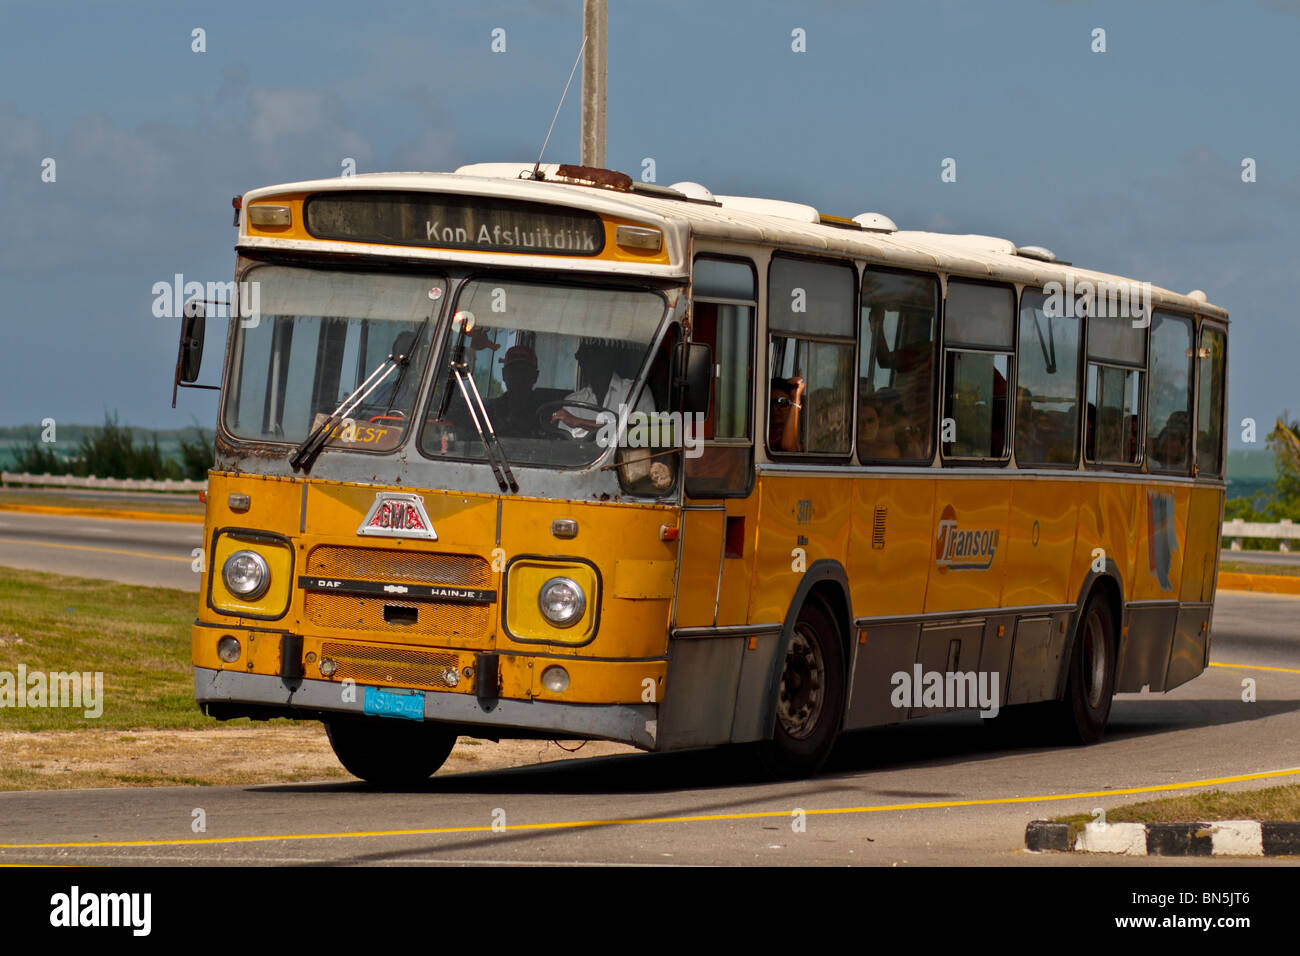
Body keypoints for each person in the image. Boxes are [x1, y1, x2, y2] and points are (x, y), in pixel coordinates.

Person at [552, 342, 648, 439]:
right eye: (579, 355)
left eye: (589, 353)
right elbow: (564, 448)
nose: (582, 360)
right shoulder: (573, 403)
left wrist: (580, 422)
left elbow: (646, 435)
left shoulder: (635, 393)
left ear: (608, 356)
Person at [483, 344, 545, 438]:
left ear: (535, 376)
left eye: (524, 371)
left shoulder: (546, 411)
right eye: (513, 371)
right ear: (503, 374)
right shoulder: (490, 411)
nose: (519, 377)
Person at [769, 376, 805, 451]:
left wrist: (796, 399)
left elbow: (788, 447)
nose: (775, 408)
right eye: (771, 403)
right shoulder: (760, 435)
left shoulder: (801, 436)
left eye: (782, 402)